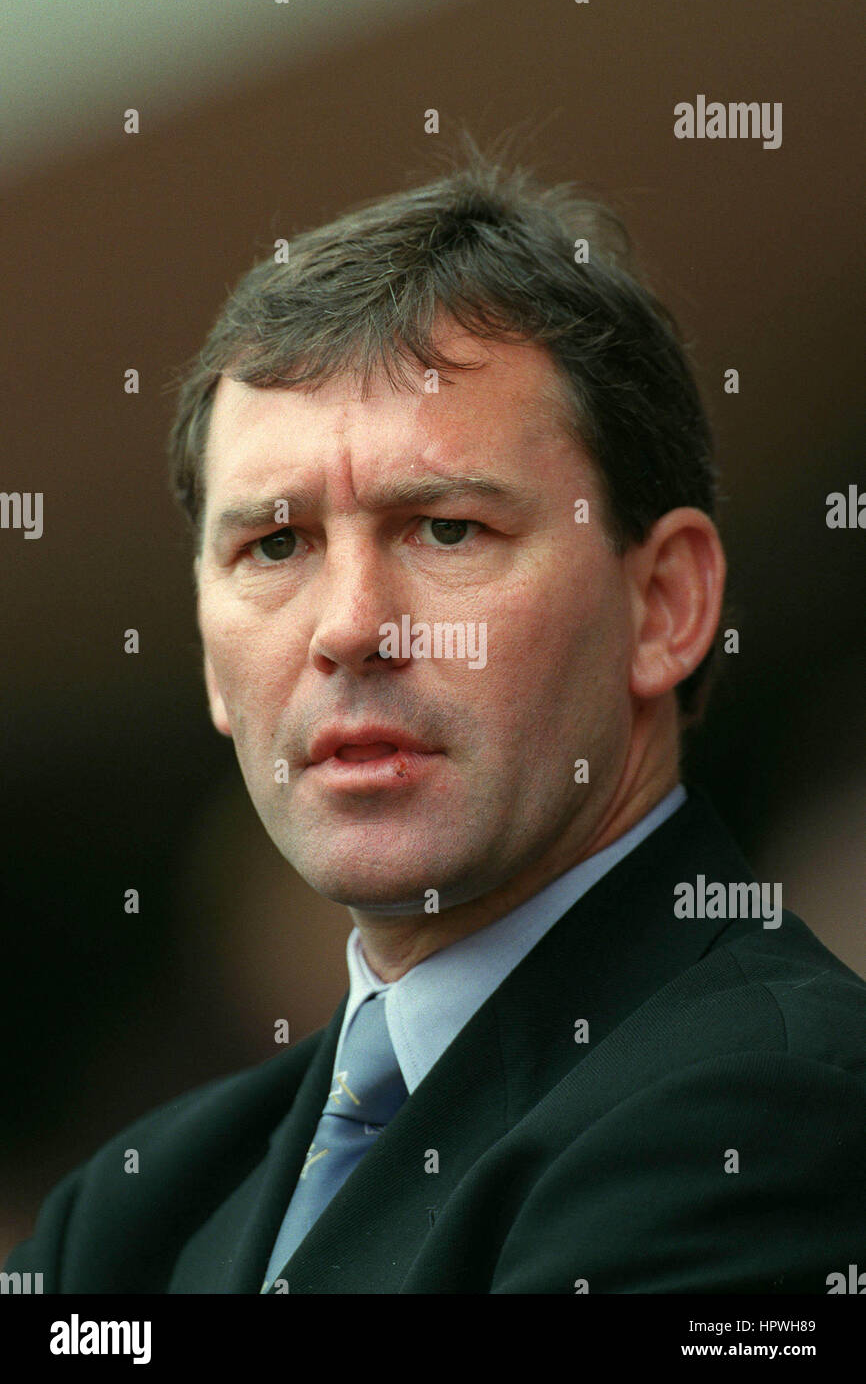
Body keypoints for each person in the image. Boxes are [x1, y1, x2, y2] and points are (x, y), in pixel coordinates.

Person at [6, 148, 866, 1294]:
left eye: (445, 528)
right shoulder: (134, 1211)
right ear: (212, 664)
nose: (349, 627)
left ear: (662, 606)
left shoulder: (769, 1104)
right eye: (273, 545)